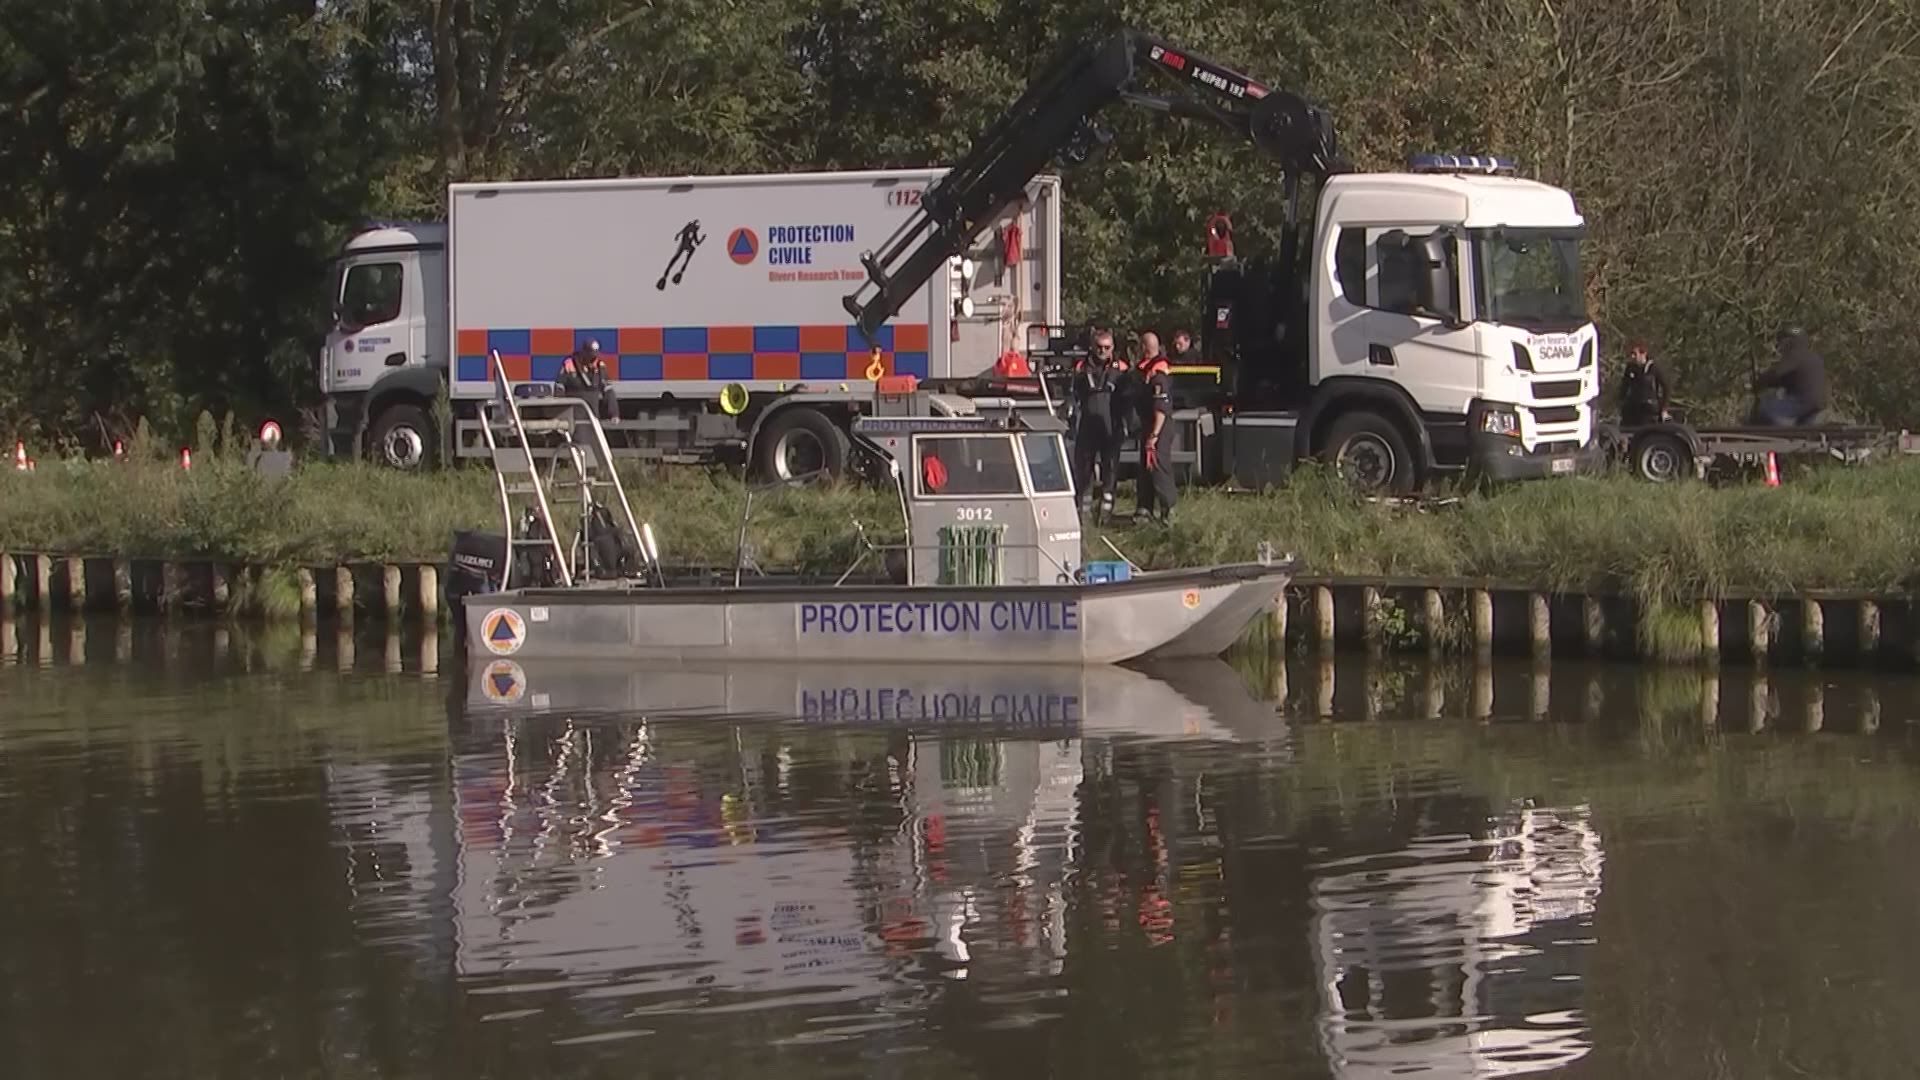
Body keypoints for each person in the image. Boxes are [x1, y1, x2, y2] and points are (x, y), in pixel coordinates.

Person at [1070, 329, 1126, 523]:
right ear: (1093, 347)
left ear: (1113, 348)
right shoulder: (1081, 367)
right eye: (1099, 347)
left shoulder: (1121, 367)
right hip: (1088, 423)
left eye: (1107, 347)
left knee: (1110, 467)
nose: (1103, 351)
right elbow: (1074, 394)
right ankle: (1082, 511)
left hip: (1111, 423)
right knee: (1084, 467)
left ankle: (1106, 511)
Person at [1132, 330, 1177, 522]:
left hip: (1158, 426)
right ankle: (1144, 508)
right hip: (1148, 424)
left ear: (1144, 347)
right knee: (1145, 468)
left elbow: (1161, 406)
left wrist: (1154, 435)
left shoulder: (1158, 370)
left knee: (1158, 466)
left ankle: (1168, 510)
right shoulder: (1146, 367)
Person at [1752, 327, 1827, 427]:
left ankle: (1775, 433)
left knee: (1765, 407)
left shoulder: (1794, 355)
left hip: (1801, 401)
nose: (1780, 345)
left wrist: (1759, 382)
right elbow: (1791, 379)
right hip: (1817, 403)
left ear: (1789, 342)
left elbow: (1775, 373)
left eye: (1783, 341)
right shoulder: (1813, 357)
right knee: (1804, 430)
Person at [558, 339, 619, 421]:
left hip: (593, 416)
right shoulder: (569, 364)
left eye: (595, 355)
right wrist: (560, 415)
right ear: (584, 352)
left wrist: (614, 414)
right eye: (590, 355)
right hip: (573, 416)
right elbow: (559, 389)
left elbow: (608, 390)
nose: (593, 358)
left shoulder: (599, 365)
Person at [1617, 341, 1671, 426]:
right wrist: (1621, 402)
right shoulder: (1630, 368)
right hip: (1633, 407)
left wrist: (1664, 408)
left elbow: (1666, 387)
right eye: (1631, 354)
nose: (1632, 357)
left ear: (1643, 354)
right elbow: (1624, 387)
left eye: (1635, 354)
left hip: (1648, 409)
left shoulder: (1653, 368)